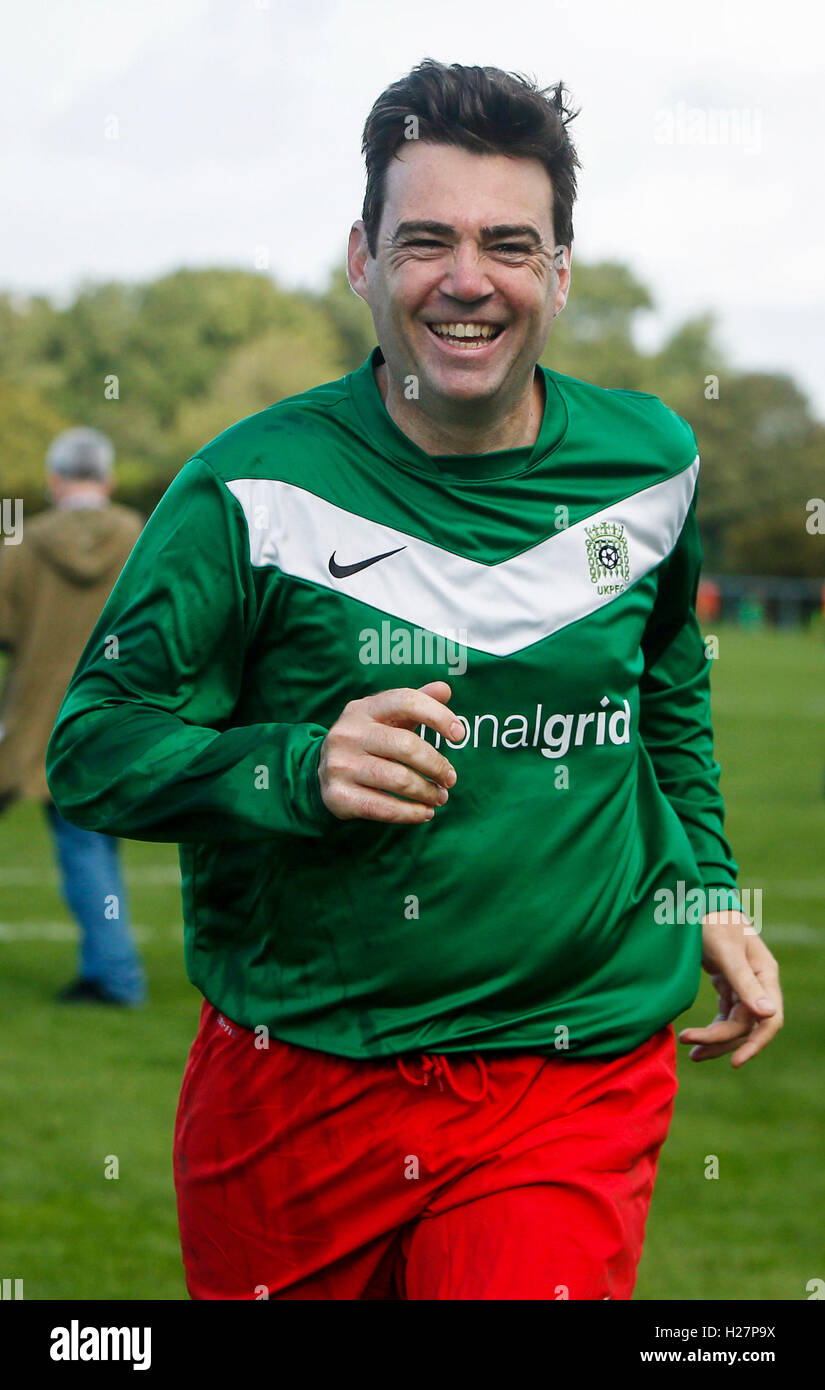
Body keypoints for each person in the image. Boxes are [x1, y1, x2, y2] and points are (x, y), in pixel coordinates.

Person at [46, 61, 783, 1300]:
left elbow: (662, 688)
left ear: (558, 271)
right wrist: (297, 763)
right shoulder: (249, 485)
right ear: (362, 258)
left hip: (572, 1057)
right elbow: (93, 745)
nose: (465, 278)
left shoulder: (650, 462)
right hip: (301, 1075)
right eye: (425, 238)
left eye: (509, 243)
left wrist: (698, 883)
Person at [0, 427, 146, 1007]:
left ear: (55, 479)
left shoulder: (25, 541)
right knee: (94, 842)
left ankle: (116, 978)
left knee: (81, 846)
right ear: (106, 479)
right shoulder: (141, 534)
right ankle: (108, 968)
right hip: (122, 718)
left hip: (43, 722)